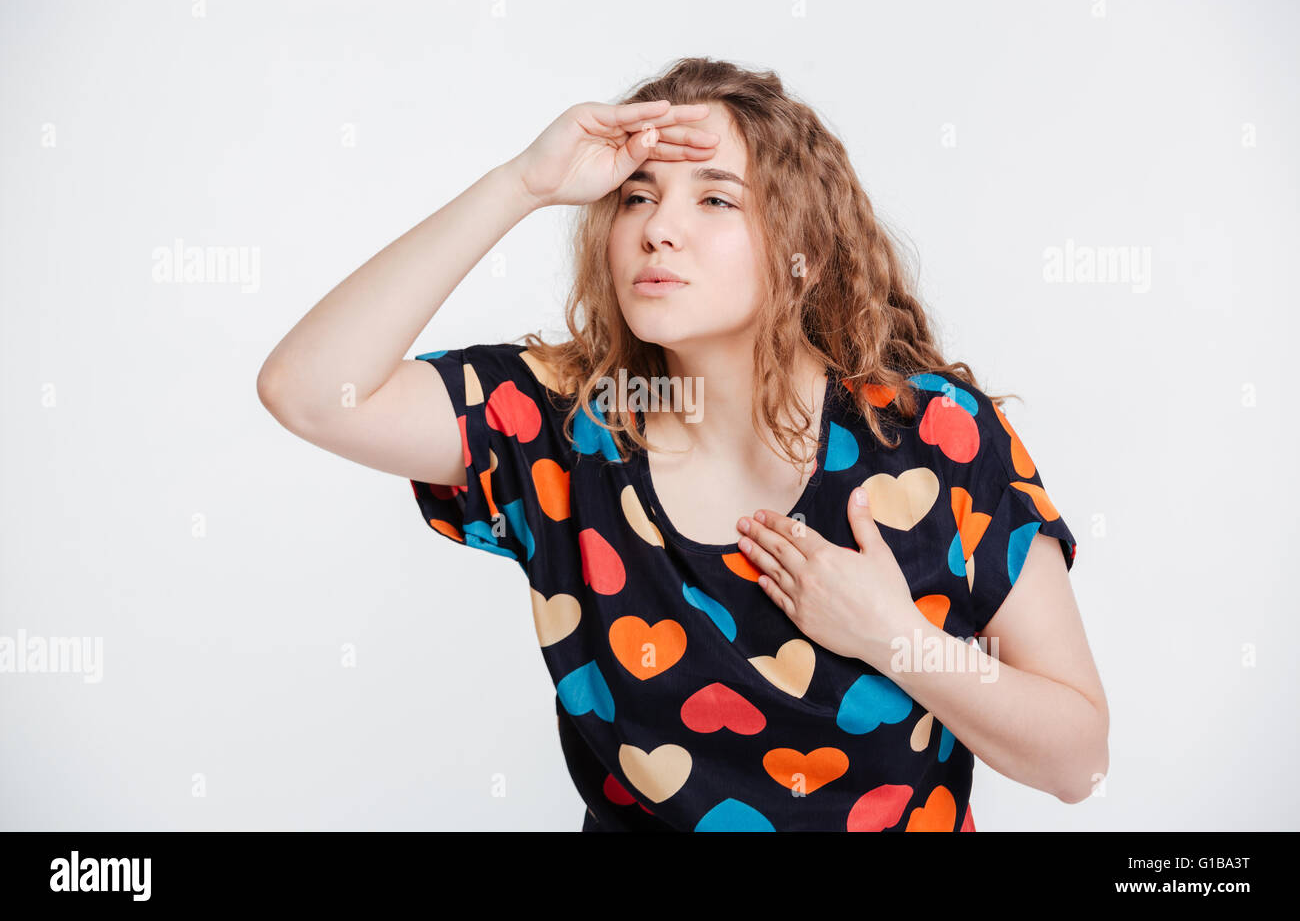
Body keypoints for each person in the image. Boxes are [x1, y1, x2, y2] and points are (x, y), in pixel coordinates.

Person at [257, 57, 1108, 831]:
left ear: (803, 251)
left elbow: (1078, 760)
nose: (660, 229)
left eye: (715, 198)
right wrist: (522, 183)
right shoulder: (563, 427)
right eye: (638, 196)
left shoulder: (930, 436)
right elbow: (309, 392)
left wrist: (895, 638)